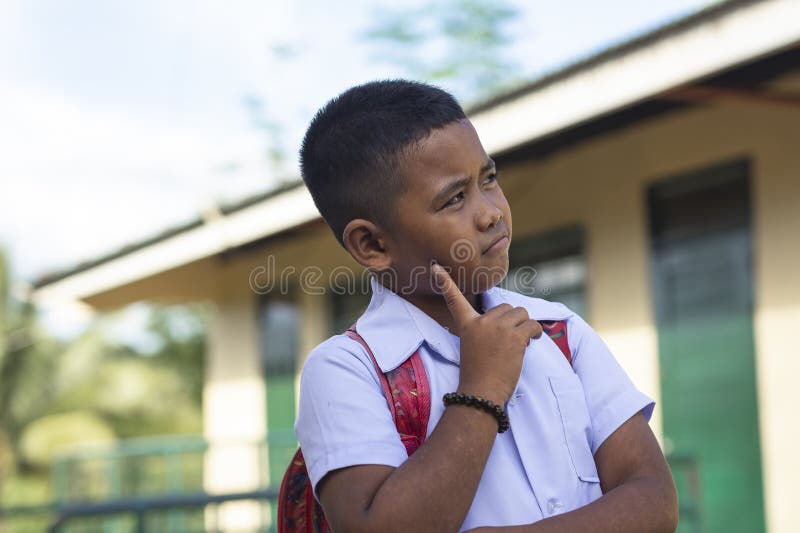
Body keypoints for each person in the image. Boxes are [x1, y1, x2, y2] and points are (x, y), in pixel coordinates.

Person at [294, 79, 678, 532]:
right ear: (373, 243)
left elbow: (654, 498)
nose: (491, 212)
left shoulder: (557, 332)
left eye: (489, 179)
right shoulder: (349, 370)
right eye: (455, 198)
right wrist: (481, 390)